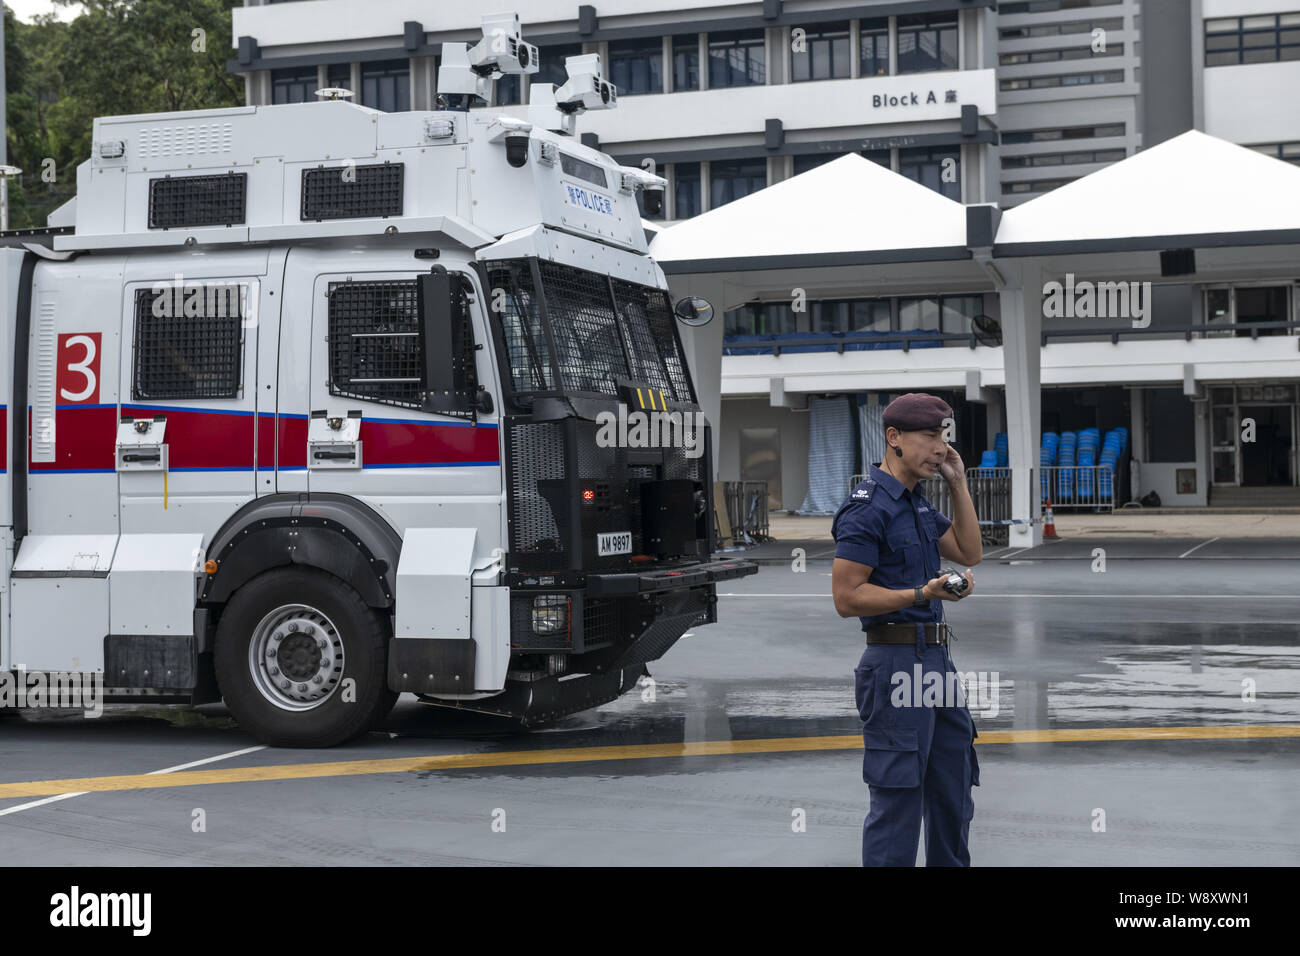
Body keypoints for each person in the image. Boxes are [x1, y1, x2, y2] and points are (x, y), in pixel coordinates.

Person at [830, 392, 983, 866]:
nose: (940, 447)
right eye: (930, 436)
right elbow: (847, 597)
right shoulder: (867, 508)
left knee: (953, 793)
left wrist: (958, 484)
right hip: (895, 663)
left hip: (937, 663)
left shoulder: (916, 504)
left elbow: (968, 551)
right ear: (893, 438)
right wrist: (922, 594)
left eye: (944, 437)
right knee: (898, 802)